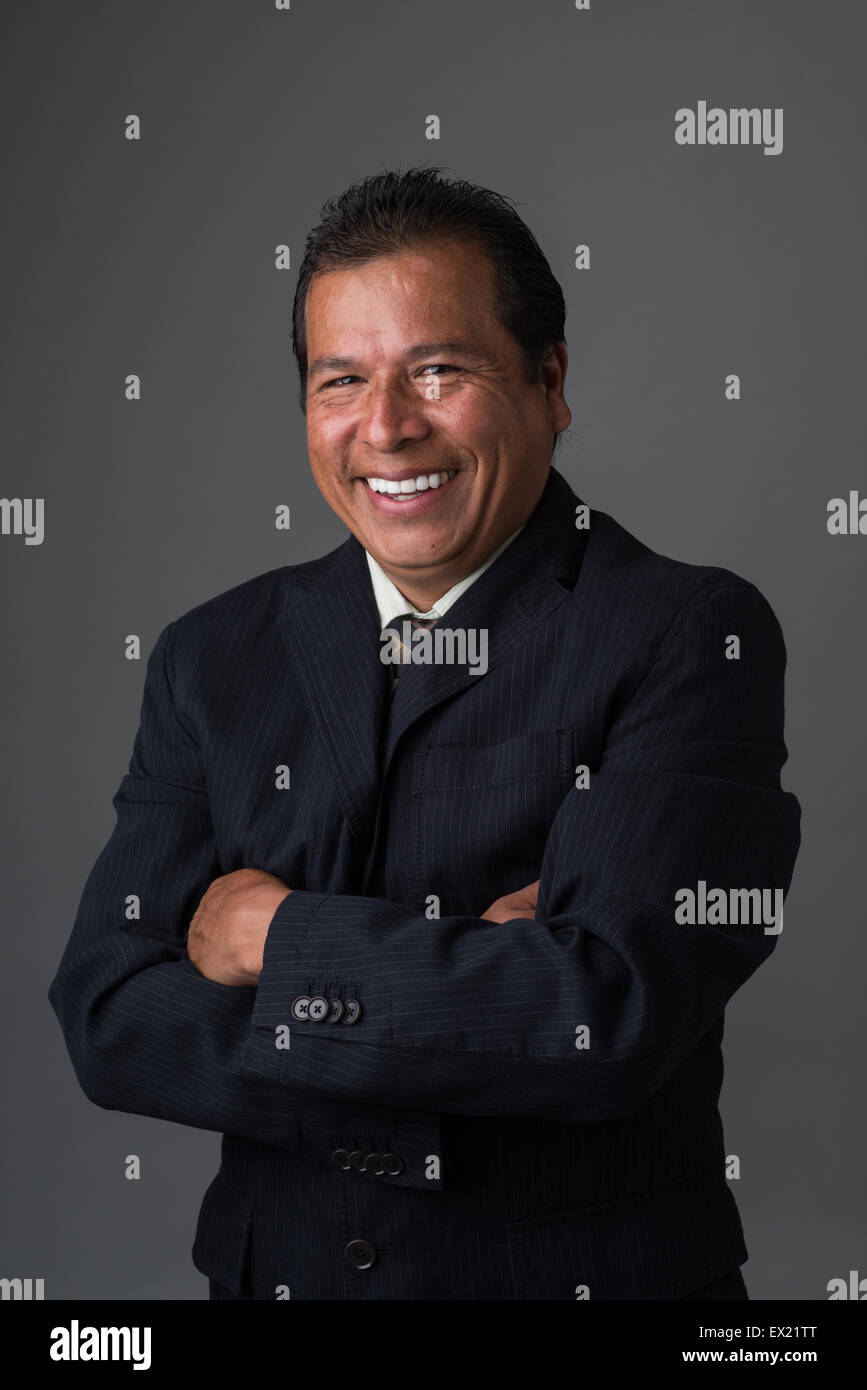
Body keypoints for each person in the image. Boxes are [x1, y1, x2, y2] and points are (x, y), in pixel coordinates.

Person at [48, 166, 801, 1300]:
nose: (387, 428)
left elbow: (600, 1012)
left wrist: (274, 935)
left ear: (549, 381)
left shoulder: (688, 634)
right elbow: (110, 1010)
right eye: (341, 378)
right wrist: (477, 991)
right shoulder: (214, 654)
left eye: (438, 369)